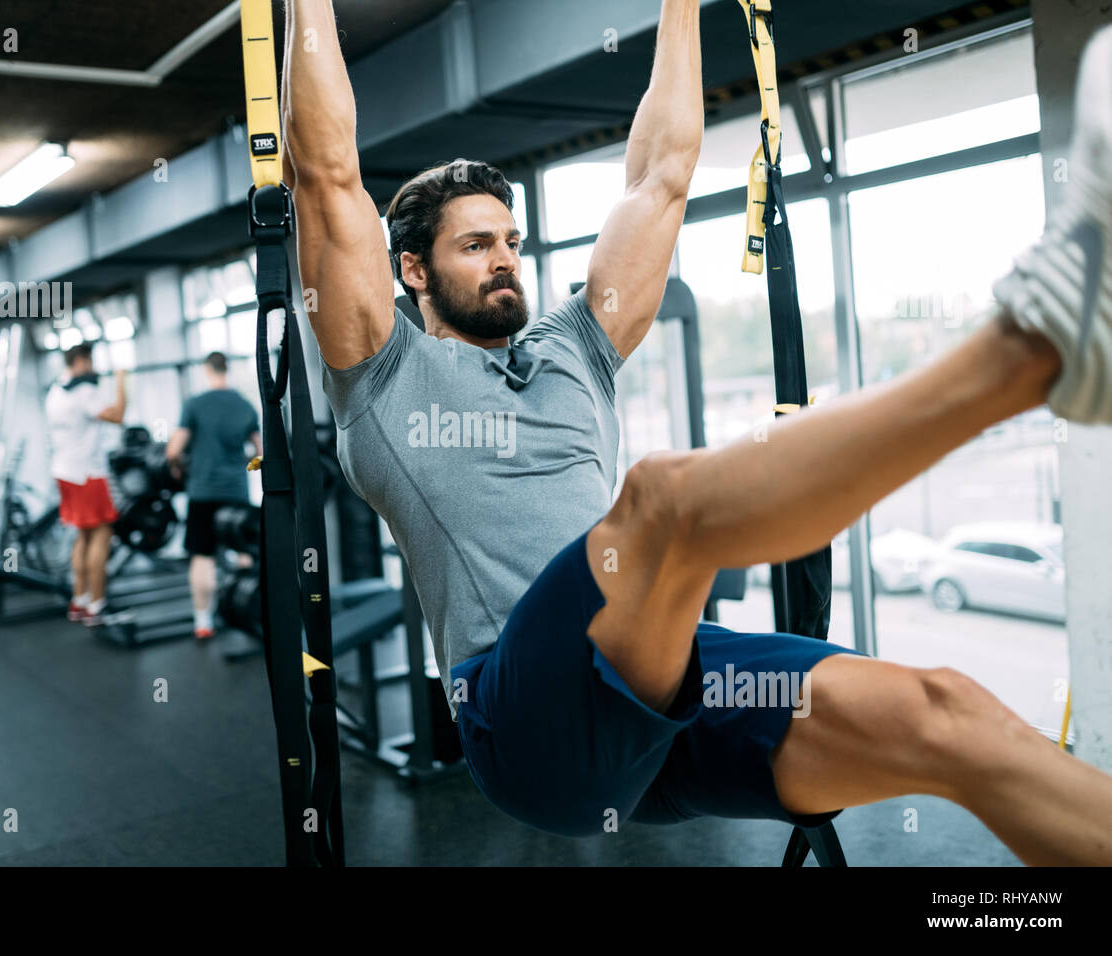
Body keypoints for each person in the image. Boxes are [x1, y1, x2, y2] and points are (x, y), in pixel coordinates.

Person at [283, 0, 1112, 864]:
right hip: (527, 725)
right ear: (412, 268)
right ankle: (1041, 346)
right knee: (661, 501)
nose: (503, 260)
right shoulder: (383, 376)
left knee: (949, 714)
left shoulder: (575, 350)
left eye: (512, 242)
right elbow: (328, 173)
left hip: (658, 690)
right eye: (474, 246)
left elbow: (662, 174)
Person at [165, 351, 261, 640]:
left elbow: (173, 450)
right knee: (245, 552)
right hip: (236, 492)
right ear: (227, 370)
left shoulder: (195, 404)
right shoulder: (245, 406)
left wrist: (178, 468)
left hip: (203, 492)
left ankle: (203, 621)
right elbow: (260, 452)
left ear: (208, 370)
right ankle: (248, 611)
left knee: (203, 556)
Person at [44, 343, 126, 625]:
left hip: (64, 471)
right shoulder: (84, 391)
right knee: (101, 535)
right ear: (80, 361)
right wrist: (121, 381)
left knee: (83, 535)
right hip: (87, 473)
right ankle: (96, 605)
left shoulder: (56, 391)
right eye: (89, 362)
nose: (92, 368)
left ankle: (79, 601)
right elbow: (117, 416)